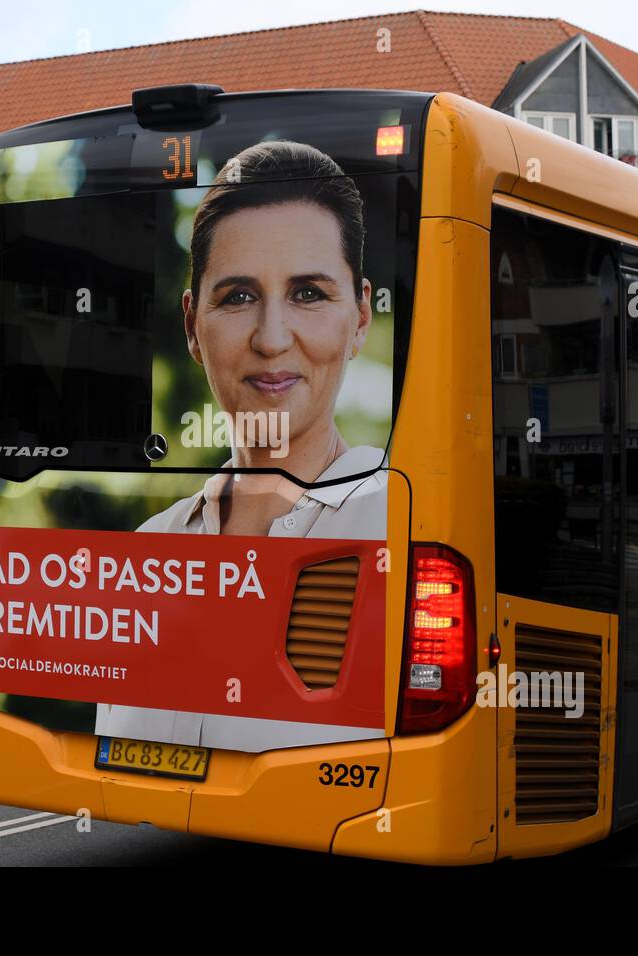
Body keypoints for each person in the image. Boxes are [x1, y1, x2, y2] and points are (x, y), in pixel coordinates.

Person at [97, 140, 389, 751]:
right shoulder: (150, 552)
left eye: (308, 292)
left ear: (360, 316)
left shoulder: (406, 527)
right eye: (238, 296)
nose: (272, 338)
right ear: (192, 326)